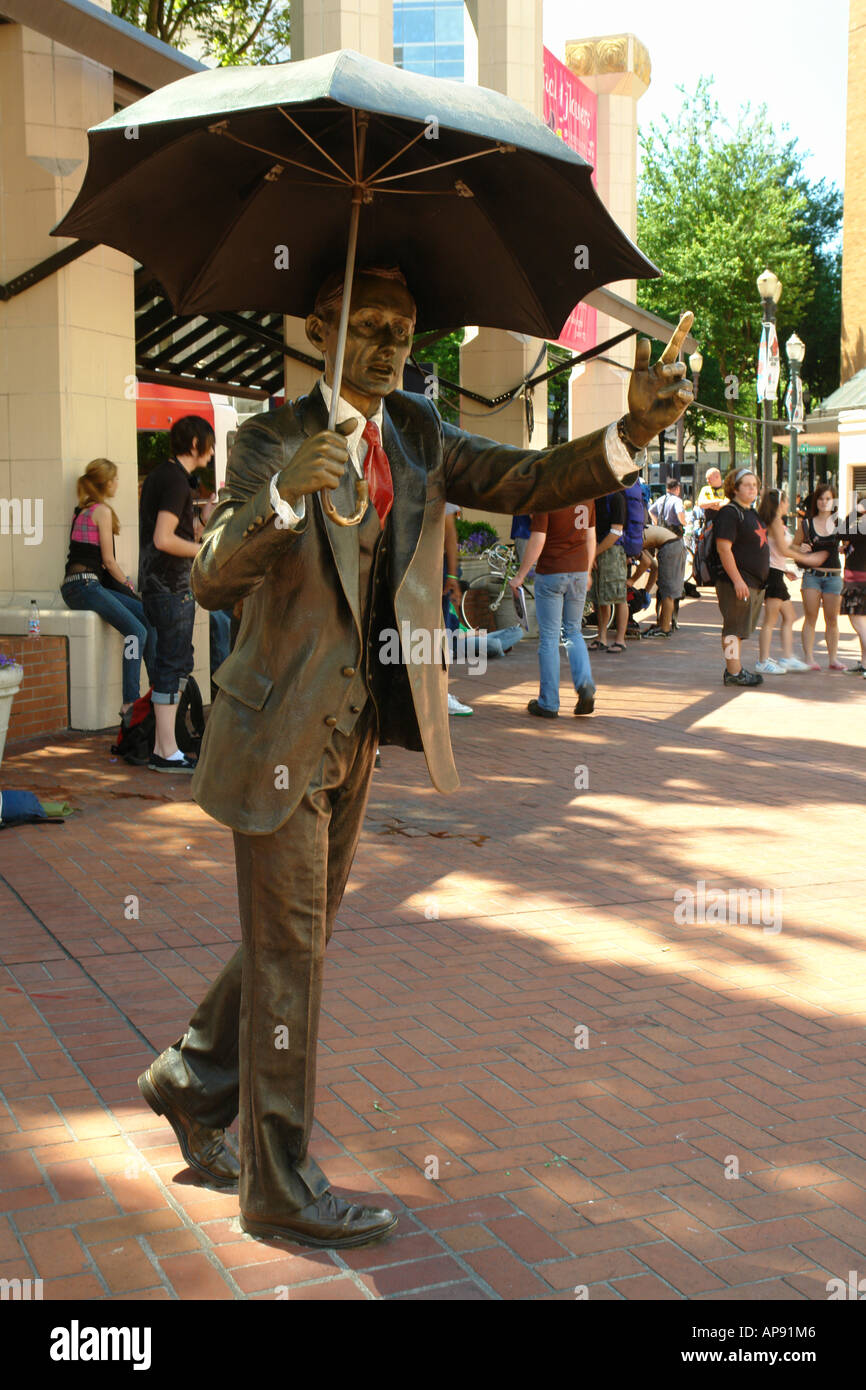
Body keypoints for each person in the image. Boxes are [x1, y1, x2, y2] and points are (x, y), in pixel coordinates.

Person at [136, 265, 694, 1252]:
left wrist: (632, 433)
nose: (391, 345)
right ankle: (278, 1178)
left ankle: (192, 1073)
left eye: (403, 329)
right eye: (370, 325)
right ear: (320, 327)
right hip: (275, 737)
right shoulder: (268, 436)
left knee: (293, 939)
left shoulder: (418, 435)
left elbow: (526, 478)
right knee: (292, 953)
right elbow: (215, 573)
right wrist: (278, 493)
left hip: (354, 736)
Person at [138, 415, 214, 771]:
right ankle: (166, 751)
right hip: (170, 587)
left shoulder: (161, 476)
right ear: (196, 444)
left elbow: (174, 535)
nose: (212, 453)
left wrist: (203, 521)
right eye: (209, 444)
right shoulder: (176, 482)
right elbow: (164, 539)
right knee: (173, 663)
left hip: (158, 586)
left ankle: (162, 746)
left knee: (173, 662)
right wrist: (205, 551)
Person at [61, 459, 156, 716]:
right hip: (85, 586)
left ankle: (157, 689)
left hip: (79, 586)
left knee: (146, 618)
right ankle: (130, 703)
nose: (117, 483)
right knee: (136, 631)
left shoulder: (80, 510)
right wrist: (127, 582)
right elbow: (108, 561)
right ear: (106, 483)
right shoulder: (101, 511)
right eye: (114, 479)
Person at [510, 500, 596, 717]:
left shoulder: (549, 496)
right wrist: (587, 571)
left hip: (552, 572)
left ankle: (548, 702)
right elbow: (590, 536)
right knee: (574, 632)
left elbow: (539, 538)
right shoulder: (588, 496)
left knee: (549, 638)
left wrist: (521, 575)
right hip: (578, 571)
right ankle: (585, 683)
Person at [713, 467, 768, 687]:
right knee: (733, 627)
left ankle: (735, 669)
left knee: (739, 629)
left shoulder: (751, 513)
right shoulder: (729, 513)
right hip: (736, 582)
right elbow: (723, 549)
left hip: (752, 582)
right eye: (746, 484)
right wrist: (737, 580)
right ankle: (733, 672)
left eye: (754, 484)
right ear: (734, 488)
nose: (752, 488)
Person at [754, 490, 813, 674]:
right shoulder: (775, 522)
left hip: (777, 573)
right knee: (769, 621)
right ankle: (763, 661)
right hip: (772, 575)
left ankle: (787, 657)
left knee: (790, 616)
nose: (789, 504)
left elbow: (776, 549)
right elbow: (783, 549)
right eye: (787, 501)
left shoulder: (776, 522)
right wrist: (807, 557)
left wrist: (787, 567)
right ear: (780, 503)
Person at [793, 482, 845, 671]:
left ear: (834, 501)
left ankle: (833, 659)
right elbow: (792, 548)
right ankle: (809, 658)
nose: (824, 502)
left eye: (828, 499)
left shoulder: (841, 523)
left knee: (832, 619)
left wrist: (844, 547)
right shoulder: (806, 523)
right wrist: (800, 548)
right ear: (816, 501)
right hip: (812, 577)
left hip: (833, 577)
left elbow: (853, 544)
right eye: (821, 499)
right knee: (811, 617)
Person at [588, 491, 628, 653]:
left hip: (613, 551)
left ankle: (620, 639)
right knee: (600, 596)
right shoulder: (596, 497)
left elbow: (616, 531)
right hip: (597, 549)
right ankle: (601, 637)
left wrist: (594, 554)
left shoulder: (616, 497)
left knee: (619, 596)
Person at [647, 478, 686, 637]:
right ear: (677, 488)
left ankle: (661, 623)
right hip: (674, 538)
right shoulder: (677, 500)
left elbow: (651, 511)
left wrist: (657, 523)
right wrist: (684, 522)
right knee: (670, 587)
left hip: (662, 540)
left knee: (664, 586)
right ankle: (666, 626)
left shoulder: (661, 499)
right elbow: (681, 517)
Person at [443, 501, 472, 716]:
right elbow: (449, 530)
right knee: (440, 633)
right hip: (432, 567)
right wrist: (452, 575)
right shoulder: (436, 479)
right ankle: (440, 694)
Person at [840, 494, 866, 676]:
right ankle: (864, 663)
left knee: (858, 621)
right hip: (856, 577)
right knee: (861, 622)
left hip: (858, 580)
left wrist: (853, 513)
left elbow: (841, 532)